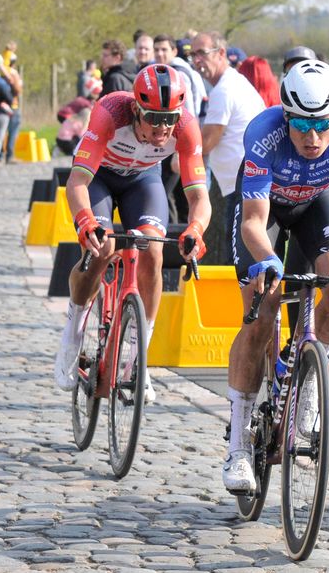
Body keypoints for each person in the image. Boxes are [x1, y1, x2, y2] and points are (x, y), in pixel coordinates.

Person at [222, 60, 329, 493]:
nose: (312, 137)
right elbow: (254, 224)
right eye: (300, 124)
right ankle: (239, 441)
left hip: (317, 201)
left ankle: (308, 375)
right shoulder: (264, 132)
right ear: (285, 115)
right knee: (262, 314)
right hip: (266, 212)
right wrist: (268, 260)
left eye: (322, 125)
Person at [53, 65, 211, 402]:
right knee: (102, 247)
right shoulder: (111, 111)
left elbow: (199, 197)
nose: (162, 128)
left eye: (169, 118)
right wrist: (85, 222)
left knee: (152, 251)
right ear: (136, 110)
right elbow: (77, 182)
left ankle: (138, 360)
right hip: (100, 177)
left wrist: (196, 229)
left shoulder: (186, 128)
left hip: (142, 181)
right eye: (153, 118)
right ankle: (72, 333)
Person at [191, 31, 266, 250]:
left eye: (202, 53)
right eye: (193, 55)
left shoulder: (224, 90)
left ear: (221, 53)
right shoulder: (233, 82)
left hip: (240, 183)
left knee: (232, 252)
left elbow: (206, 143)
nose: (197, 60)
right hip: (241, 179)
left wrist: (181, 156)